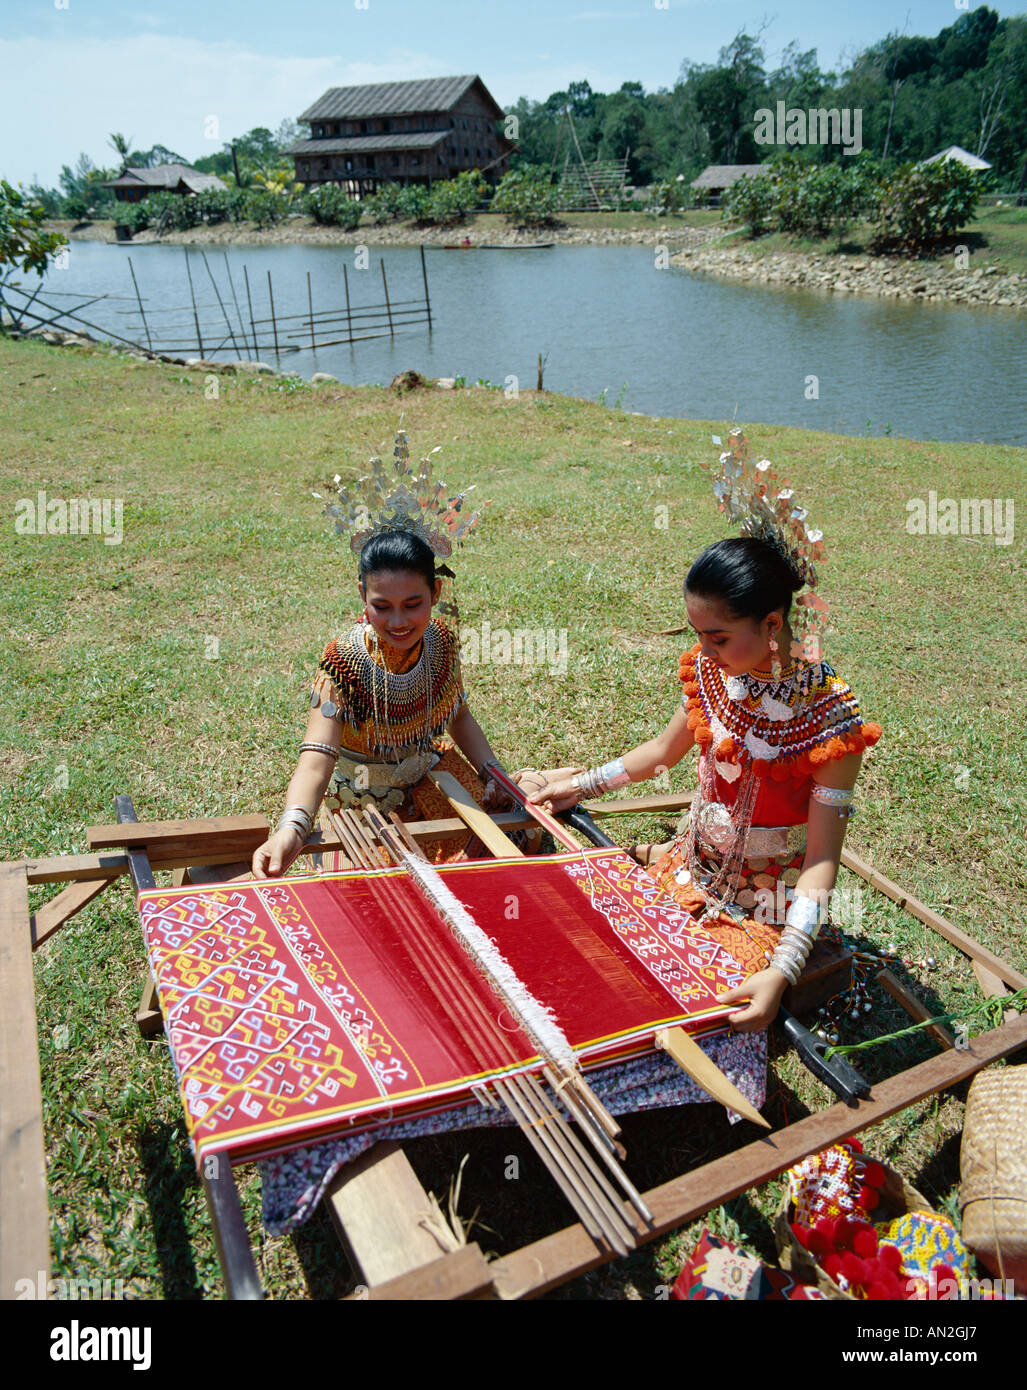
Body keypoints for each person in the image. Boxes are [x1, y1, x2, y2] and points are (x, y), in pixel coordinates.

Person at [528, 430, 882, 1035]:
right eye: (697, 634)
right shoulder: (712, 676)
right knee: (588, 942)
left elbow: (822, 862)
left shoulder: (831, 724)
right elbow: (661, 755)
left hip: (765, 911)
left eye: (718, 637)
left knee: (691, 1005)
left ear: (772, 624)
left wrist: (784, 968)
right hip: (687, 870)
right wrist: (579, 787)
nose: (703, 651)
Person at [251, 433, 519, 877]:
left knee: (501, 849)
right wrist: (292, 827)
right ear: (362, 594)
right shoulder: (343, 661)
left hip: (429, 778)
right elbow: (317, 756)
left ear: (435, 591)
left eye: (413, 604)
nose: (398, 621)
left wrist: (495, 774)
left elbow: (458, 716)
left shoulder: (441, 642)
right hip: (362, 803)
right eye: (382, 606)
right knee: (384, 890)